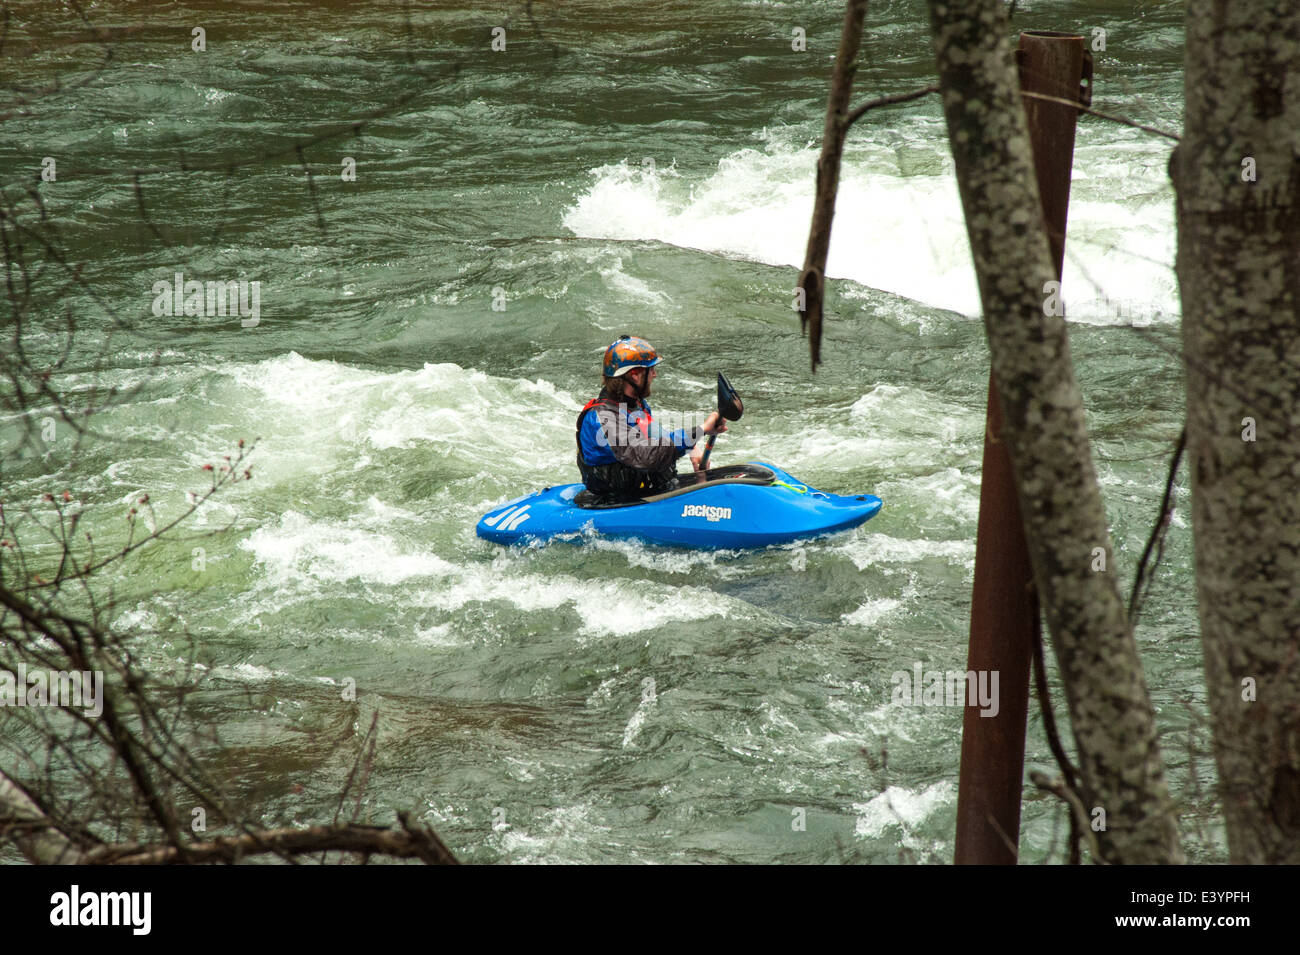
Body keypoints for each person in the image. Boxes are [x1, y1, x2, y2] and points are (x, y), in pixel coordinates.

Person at [576, 335, 728, 501]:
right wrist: (700, 430)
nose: (654, 375)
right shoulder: (603, 419)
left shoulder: (635, 404)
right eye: (651, 370)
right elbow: (646, 456)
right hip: (614, 499)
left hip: (643, 491)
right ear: (634, 374)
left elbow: (656, 437)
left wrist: (692, 448)